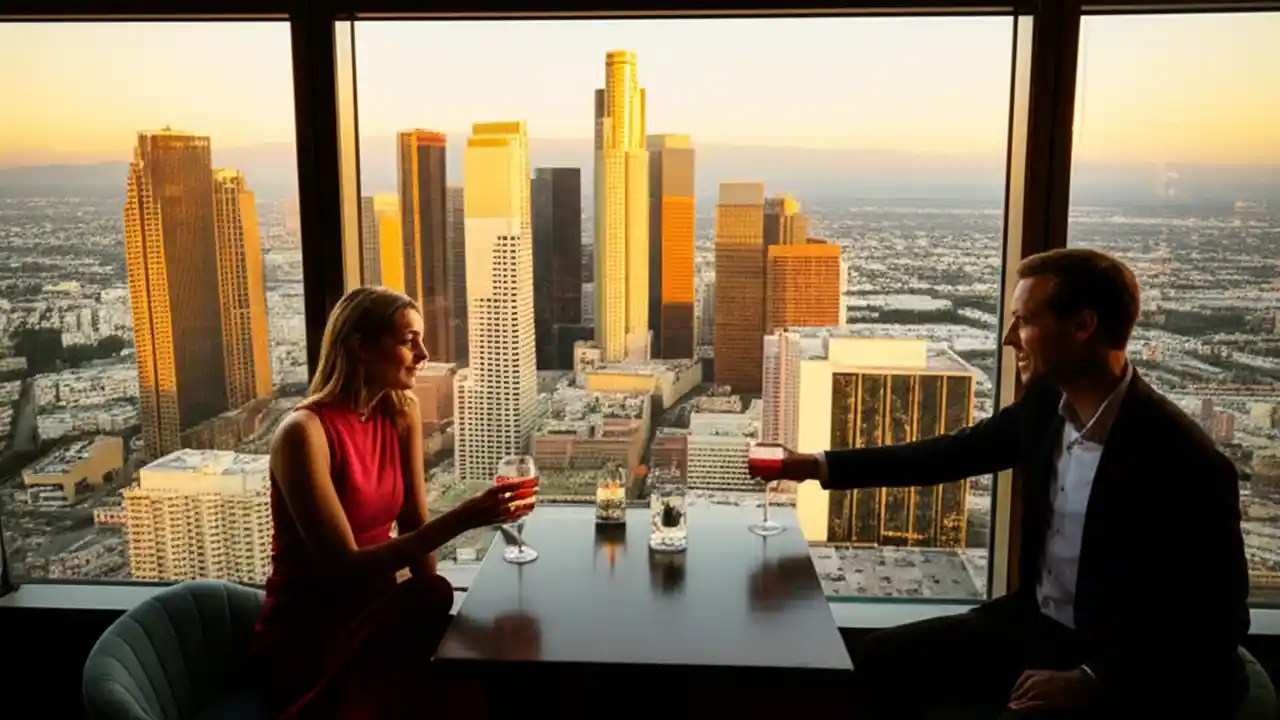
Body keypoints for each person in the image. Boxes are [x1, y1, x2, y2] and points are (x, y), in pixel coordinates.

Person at [765, 249, 1248, 718]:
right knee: (876, 659)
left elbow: (1219, 624)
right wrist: (812, 466)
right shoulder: (1046, 410)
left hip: (1121, 659)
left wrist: (1094, 680)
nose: (1009, 338)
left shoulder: (1185, 461)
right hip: (1035, 625)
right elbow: (945, 455)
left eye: (1024, 321)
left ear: (1083, 325)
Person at [249, 287, 536, 719]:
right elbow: (341, 563)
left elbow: (415, 521)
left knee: (458, 640)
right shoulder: (303, 433)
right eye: (407, 341)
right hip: (312, 634)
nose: (424, 354)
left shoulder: (400, 413)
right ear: (359, 346)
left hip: (379, 619)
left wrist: (432, 623)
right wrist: (463, 518)